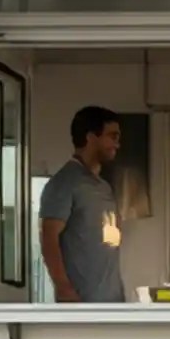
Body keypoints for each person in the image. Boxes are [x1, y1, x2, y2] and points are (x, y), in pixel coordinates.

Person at [39, 106, 125, 303]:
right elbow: (48, 238)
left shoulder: (104, 187)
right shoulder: (64, 183)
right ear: (91, 137)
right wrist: (64, 289)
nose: (117, 144)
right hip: (82, 304)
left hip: (113, 301)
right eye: (112, 137)